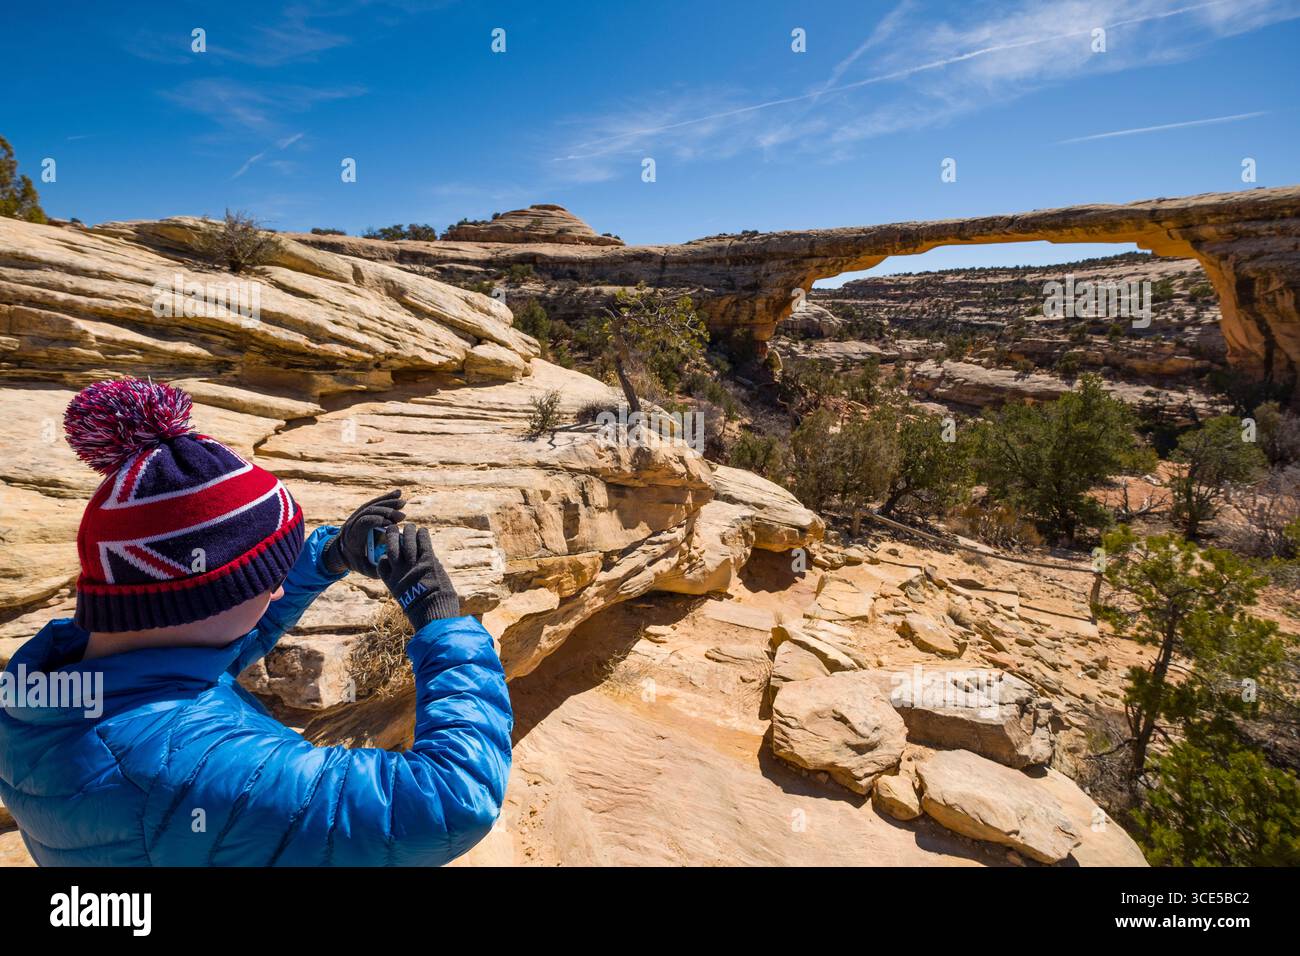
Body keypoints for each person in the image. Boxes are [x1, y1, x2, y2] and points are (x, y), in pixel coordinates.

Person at [0, 378, 512, 865]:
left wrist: (326, 558)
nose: (279, 590)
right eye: (268, 580)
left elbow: (204, 655)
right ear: (205, 598)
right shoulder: (201, 770)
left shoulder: (47, 689)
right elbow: (451, 800)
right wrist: (442, 625)